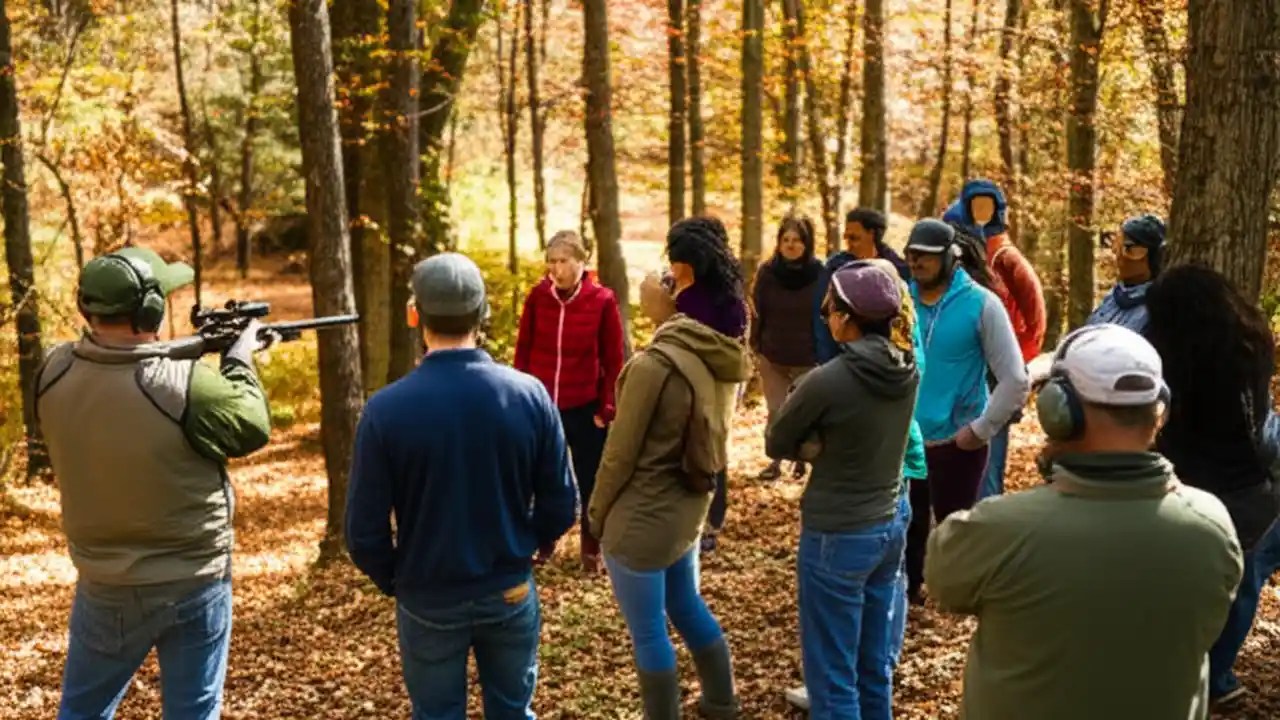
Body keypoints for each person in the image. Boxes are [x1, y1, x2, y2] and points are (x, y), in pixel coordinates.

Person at [925, 323, 1243, 720]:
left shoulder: (997, 530)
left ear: (1058, 411)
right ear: (1159, 413)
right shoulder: (1212, 527)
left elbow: (942, 581)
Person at [36, 247, 273, 719]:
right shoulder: (186, 386)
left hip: (104, 581)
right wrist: (240, 358)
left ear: (87, 307)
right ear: (149, 310)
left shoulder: (52, 371)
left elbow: (121, 364)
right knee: (193, 711)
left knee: (82, 711)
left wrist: (194, 345)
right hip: (193, 580)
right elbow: (252, 426)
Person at [346, 253, 578, 720]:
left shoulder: (387, 410)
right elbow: (561, 501)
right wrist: (536, 541)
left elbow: (363, 532)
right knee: (513, 713)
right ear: (483, 314)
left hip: (428, 594)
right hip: (509, 588)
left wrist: (398, 578)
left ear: (415, 315)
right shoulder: (529, 395)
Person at [589, 266, 751, 719]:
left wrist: (597, 515)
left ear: (669, 298)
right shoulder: (705, 352)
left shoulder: (653, 365)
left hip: (643, 518)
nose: (645, 282)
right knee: (685, 603)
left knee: (648, 631)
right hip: (687, 507)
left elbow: (619, 454)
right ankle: (722, 701)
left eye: (656, 279)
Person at [766, 263, 919, 719]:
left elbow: (777, 439)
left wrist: (813, 445)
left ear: (847, 317)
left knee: (833, 678)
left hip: (838, 533)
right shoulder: (906, 369)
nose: (825, 316)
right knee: (873, 668)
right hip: (890, 521)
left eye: (829, 309)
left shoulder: (829, 380)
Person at [1145, 263, 1280, 707]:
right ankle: (1215, 674)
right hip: (1248, 493)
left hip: (1183, 488)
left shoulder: (1163, 355)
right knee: (1244, 582)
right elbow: (1260, 431)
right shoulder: (1249, 346)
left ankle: (1183, 670)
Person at [903, 219, 1029, 605]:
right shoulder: (898, 300)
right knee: (908, 529)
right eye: (911, 254)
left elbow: (1015, 379)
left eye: (926, 255)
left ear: (951, 257)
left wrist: (980, 430)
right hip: (905, 442)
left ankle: (959, 600)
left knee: (956, 531)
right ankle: (909, 596)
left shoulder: (982, 304)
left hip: (957, 441)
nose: (917, 262)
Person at [514, 230, 626, 572]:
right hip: (542, 403)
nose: (556, 269)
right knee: (541, 475)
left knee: (590, 476)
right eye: (551, 261)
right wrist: (520, 395)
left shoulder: (602, 300)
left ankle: (591, 548)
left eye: (563, 261)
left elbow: (613, 359)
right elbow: (524, 350)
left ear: (582, 261)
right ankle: (543, 540)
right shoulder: (538, 297)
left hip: (585, 405)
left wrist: (607, 407)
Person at [639, 216, 748, 554]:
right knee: (698, 444)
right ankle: (696, 517)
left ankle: (710, 520)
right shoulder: (687, 291)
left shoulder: (718, 301)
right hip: (691, 379)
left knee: (710, 446)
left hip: (715, 382)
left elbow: (720, 345)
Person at [944, 179, 1046, 500]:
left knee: (988, 460)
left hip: (997, 375)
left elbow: (1035, 314)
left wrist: (1016, 357)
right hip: (961, 377)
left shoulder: (1006, 258)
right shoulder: (955, 262)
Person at [749, 215, 823, 481]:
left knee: (804, 413)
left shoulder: (819, 274)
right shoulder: (767, 273)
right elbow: (757, 311)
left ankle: (803, 460)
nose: (791, 245)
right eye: (786, 240)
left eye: (797, 240)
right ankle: (775, 462)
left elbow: (827, 314)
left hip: (808, 357)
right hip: (773, 355)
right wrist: (755, 345)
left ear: (807, 244)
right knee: (776, 412)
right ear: (779, 243)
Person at [813, 208, 910, 364]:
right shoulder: (835, 267)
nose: (849, 245)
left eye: (854, 238)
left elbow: (906, 318)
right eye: (847, 239)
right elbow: (821, 315)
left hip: (886, 361)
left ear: (872, 234)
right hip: (840, 359)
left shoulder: (898, 270)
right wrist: (827, 359)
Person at [1087, 213, 1165, 333]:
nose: (1119, 256)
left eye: (1129, 249)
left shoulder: (1156, 309)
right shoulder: (1112, 298)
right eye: (1118, 247)